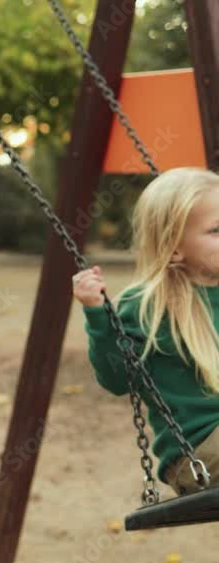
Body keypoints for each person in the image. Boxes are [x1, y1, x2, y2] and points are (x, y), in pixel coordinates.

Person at [75, 167, 219, 496]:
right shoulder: (146, 306)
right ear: (174, 247)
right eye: (216, 230)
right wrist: (98, 316)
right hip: (195, 457)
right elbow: (117, 380)